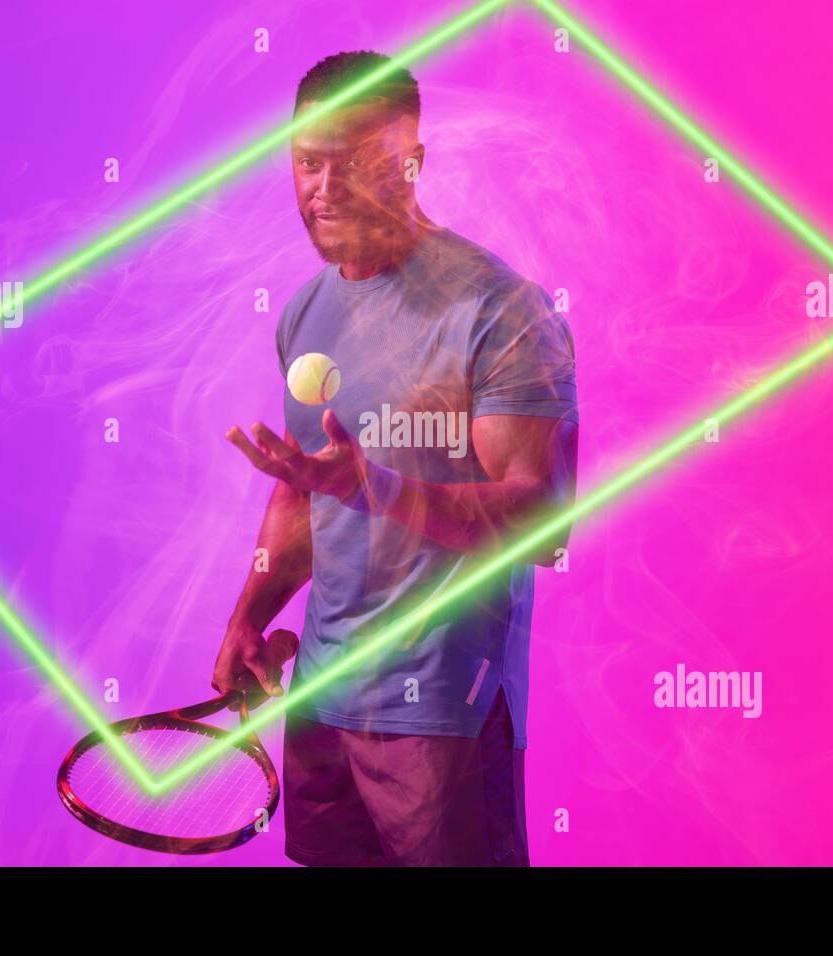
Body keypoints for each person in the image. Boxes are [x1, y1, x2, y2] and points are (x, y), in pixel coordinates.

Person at [213, 50, 579, 866]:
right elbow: (307, 494)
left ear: (412, 159)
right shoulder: (305, 312)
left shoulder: (500, 310)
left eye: (357, 162)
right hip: (321, 701)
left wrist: (379, 486)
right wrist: (252, 614)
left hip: (443, 711)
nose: (326, 187)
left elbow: (541, 520)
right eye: (310, 161)